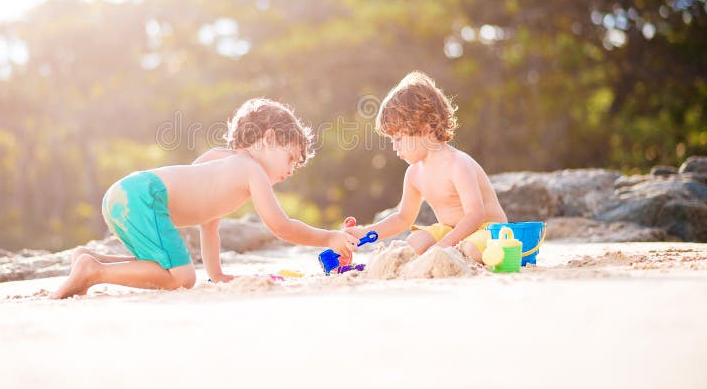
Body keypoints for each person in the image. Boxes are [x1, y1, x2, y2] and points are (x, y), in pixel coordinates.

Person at [51, 98, 358, 299]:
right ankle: (95, 272)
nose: (291, 170)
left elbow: (208, 226)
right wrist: (329, 237)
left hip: (124, 194)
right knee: (181, 277)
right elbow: (282, 226)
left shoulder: (221, 162)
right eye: (291, 158)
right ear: (268, 139)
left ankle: (91, 259)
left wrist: (217, 274)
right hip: (145, 196)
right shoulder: (251, 170)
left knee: (160, 266)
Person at [346, 71, 507, 263]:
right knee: (415, 242)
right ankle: (456, 250)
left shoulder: (458, 164)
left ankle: (467, 252)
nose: (394, 146)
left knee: (471, 248)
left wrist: (443, 246)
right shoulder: (414, 173)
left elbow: (475, 215)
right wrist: (364, 232)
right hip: (452, 230)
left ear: (424, 128)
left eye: (398, 138)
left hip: (487, 229)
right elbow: (403, 218)